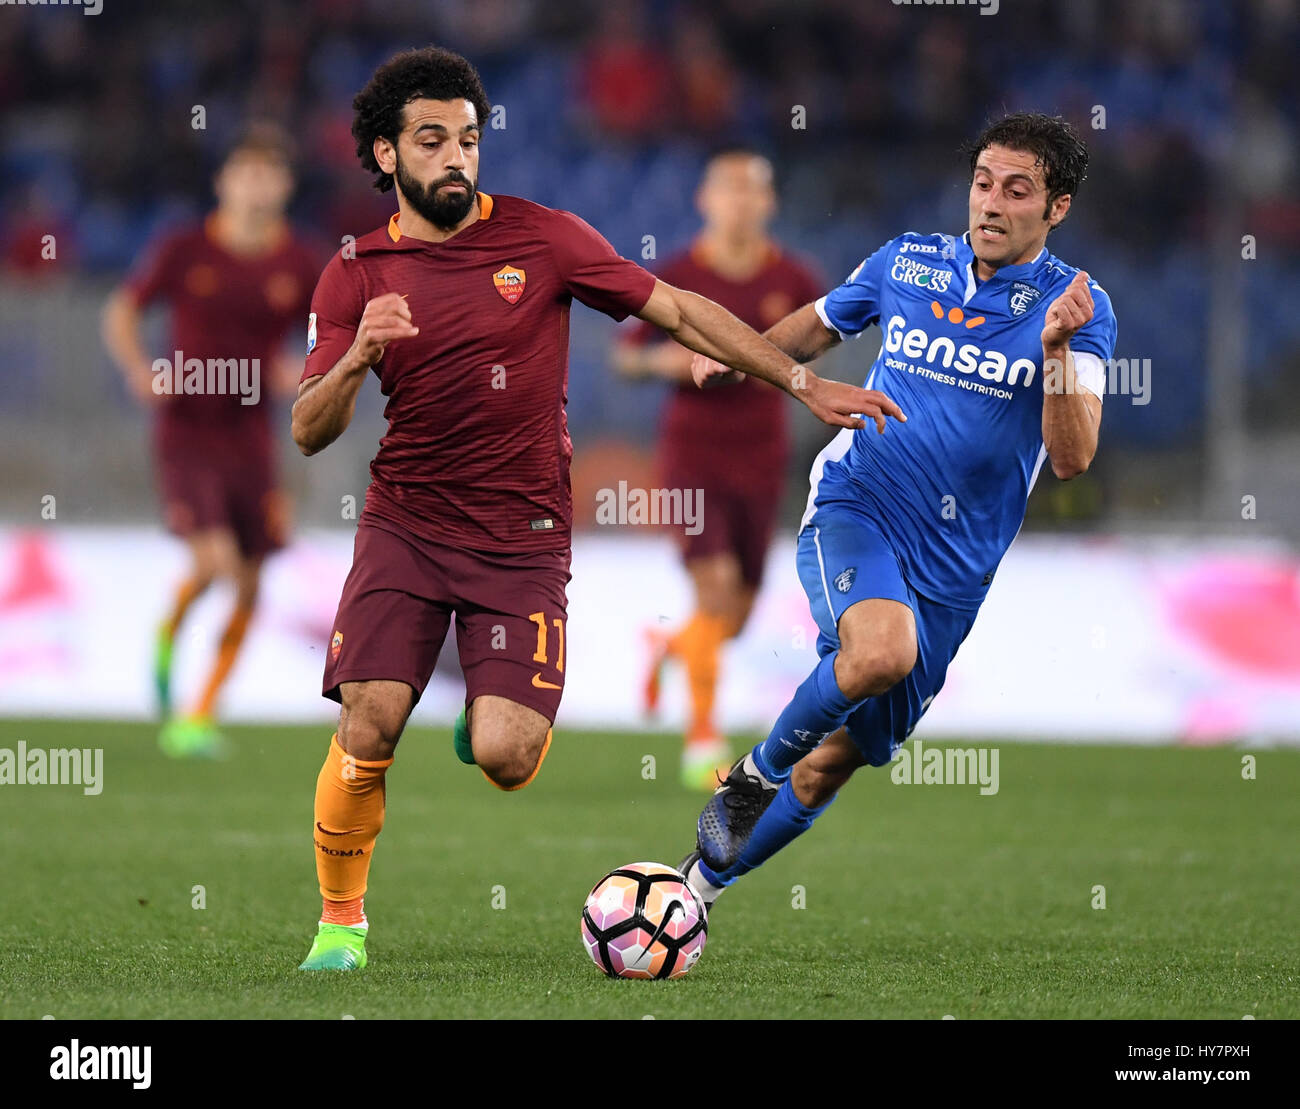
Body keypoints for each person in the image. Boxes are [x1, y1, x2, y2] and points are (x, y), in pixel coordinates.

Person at [290, 45, 904, 970]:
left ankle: (486, 712)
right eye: (431, 140)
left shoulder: (543, 238)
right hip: (404, 525)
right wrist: (353, 358)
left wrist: (798, 380)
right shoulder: (355, 276)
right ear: (385, 156)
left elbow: (681, 312)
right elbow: (307, 428)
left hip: (522, 537)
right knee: (369, 722)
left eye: (468, 138)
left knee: (504, 755)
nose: (456, 156)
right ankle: (341, 923)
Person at [679, 113, 1118, 911]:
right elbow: (815, 326)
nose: (990, 203)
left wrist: (1055, 349)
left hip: (955, 574)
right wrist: (740, 353)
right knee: (880, 650)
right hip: (861, 503)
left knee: (832, 763)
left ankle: (691, 891)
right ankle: (749, 777)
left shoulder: (1081, 309)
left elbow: (1073, 455)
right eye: (983, 182)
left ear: (1056, 209)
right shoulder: (906, 261)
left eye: (1016, 191)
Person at [102, 125, 320, 758]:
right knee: (217, 564)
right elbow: (121, 308)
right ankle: (168, 639)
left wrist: (305, 368)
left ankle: (199, 715)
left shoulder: (299, 261)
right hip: (188, 431)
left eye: (268, 174)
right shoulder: (185, 248)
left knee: (252, 584)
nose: (255, 185)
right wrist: (137, 369)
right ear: (223, 181)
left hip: (251, 438)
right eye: (244, 172)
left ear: (284, 186)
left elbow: (329, 328)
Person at [615, 147, 823, 789]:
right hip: (693, 454)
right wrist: (664, 364)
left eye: (752, 190)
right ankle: (703, 745)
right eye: (727, 190)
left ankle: (669, 647)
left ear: (769, 203)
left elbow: (818, 350)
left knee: (732, 617)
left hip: (761, 457)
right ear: (706, 200)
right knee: (714, 590)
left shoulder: (795, 277)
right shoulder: (677, 273)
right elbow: (626, 358)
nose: (740, 202)